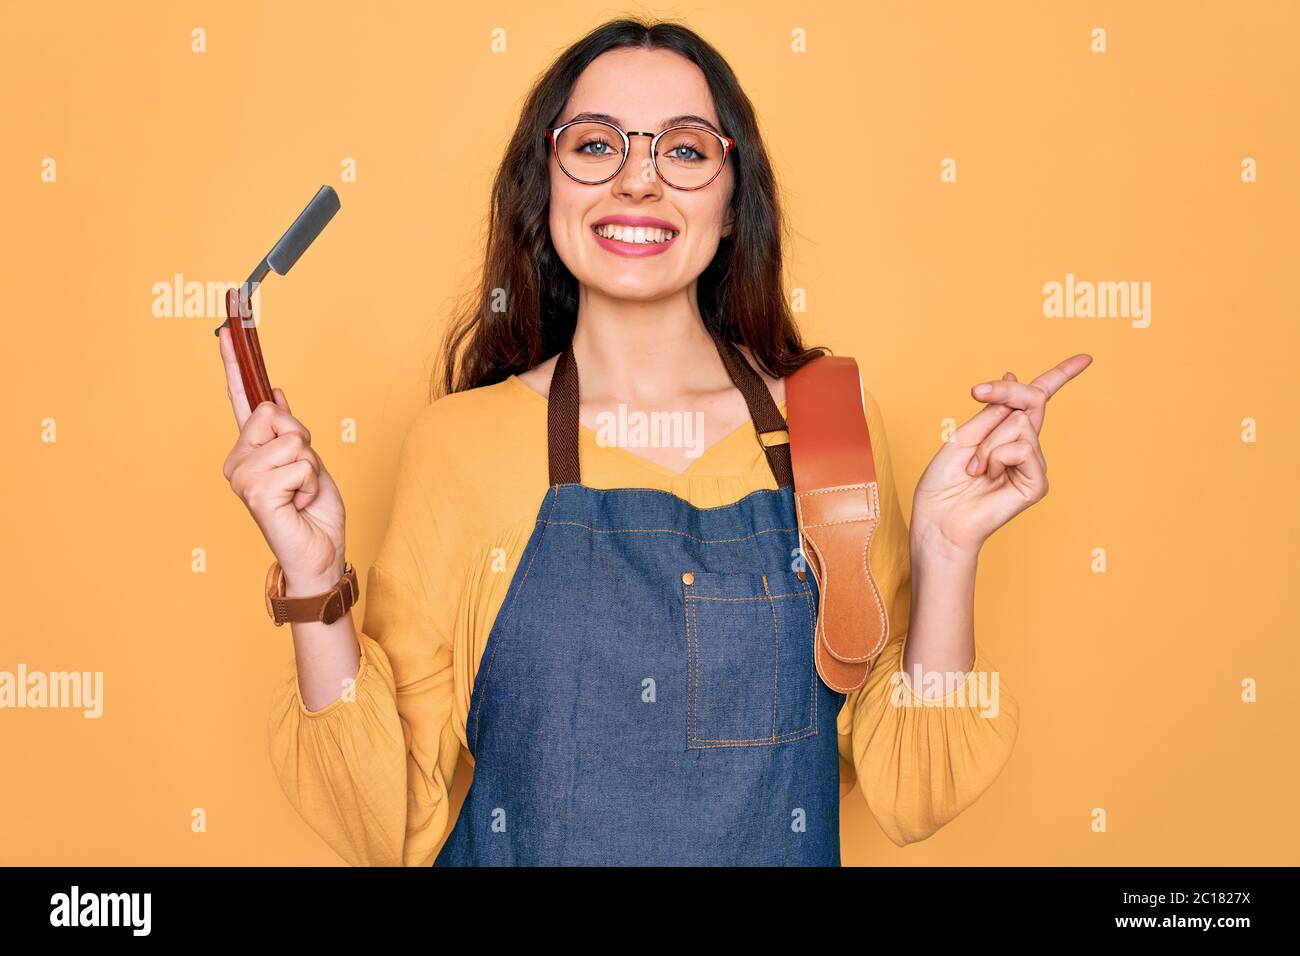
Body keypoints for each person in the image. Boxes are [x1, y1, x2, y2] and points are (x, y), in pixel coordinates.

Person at [217, 17, 1089, 866]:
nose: (638, 181)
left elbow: (908, 788)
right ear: (545, 185)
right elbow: (385, 822)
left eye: (683, 148)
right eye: (597, 145)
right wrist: (314, 579)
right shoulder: (461, 445)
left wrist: (946, 553)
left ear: (730, 196)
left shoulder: (827, 422)